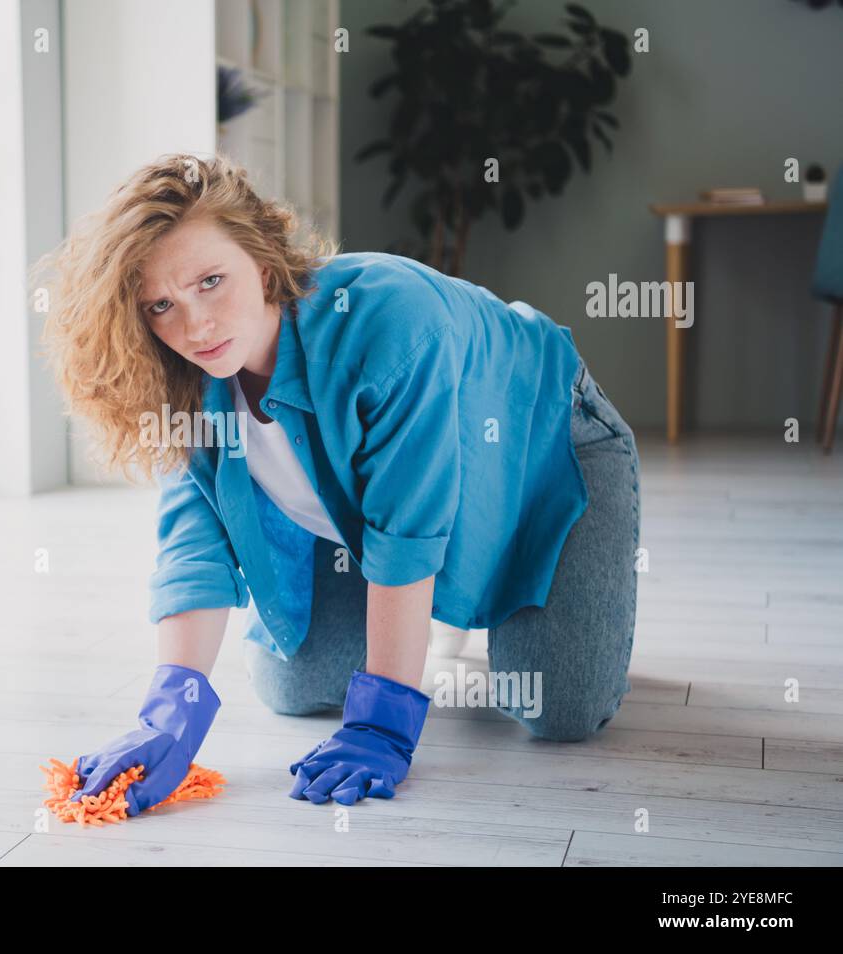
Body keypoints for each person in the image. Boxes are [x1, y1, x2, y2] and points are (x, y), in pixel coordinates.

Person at [34, 152, 640, 811]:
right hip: (375, 506)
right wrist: (167, 717)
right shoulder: (189, 383)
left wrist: (383, 727)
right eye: (161, 304)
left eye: (211, 281)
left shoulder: (392, 324)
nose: (195, 324)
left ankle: (473, 596)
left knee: (557, 709)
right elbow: (195, 544)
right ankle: (422, 619)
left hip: (540, 442)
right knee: (296, 686)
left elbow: (406, 532)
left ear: (263, 265)